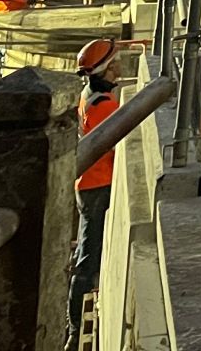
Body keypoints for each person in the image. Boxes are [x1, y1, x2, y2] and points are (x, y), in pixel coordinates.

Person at [69, 38, 120, 331]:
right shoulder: (104, 105)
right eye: (115, 61)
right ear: (107, 68)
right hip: (97, 185)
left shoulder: (91, 95)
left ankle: (75, 314)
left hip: (90, 182)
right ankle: (75, 324)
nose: (120, 65)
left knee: (87, 249)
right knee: (89, 256)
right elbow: (114, 144)